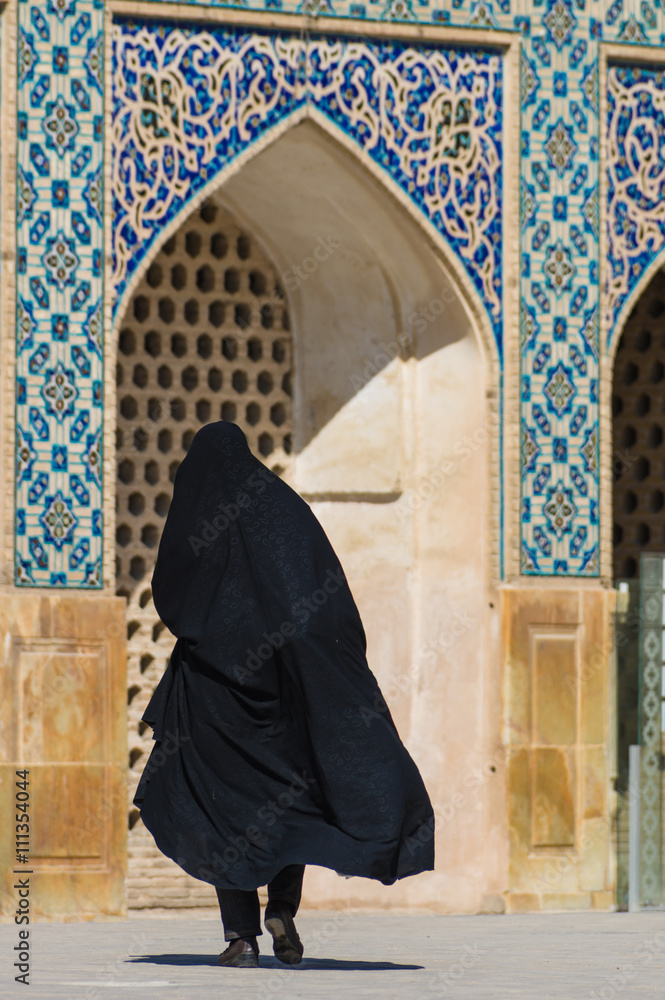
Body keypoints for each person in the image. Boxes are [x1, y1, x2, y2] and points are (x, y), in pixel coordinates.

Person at [134, 421, 435, 968]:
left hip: (216, 699)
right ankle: (283, 910)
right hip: (286, 692)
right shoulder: (284, 510)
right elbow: (327, 603)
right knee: (285, 805)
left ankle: (241, 938)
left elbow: (173, 594)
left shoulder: (201, 514)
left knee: (225, 813)